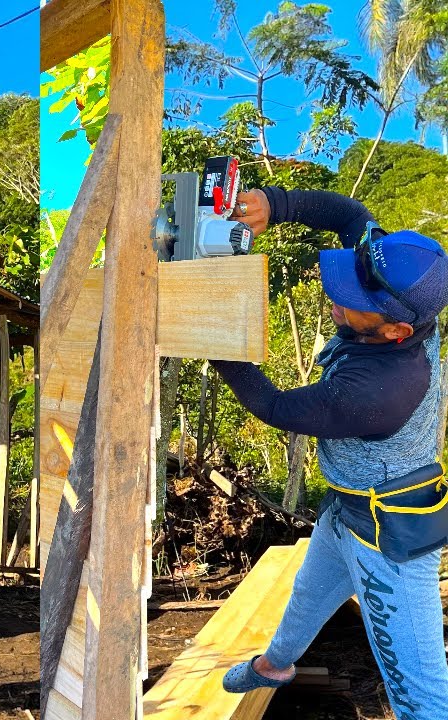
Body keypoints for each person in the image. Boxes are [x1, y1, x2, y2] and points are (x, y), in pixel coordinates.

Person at [216, 187, 448, 719]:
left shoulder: (382, 389)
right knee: (307, 595)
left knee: (420, 694)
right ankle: (274, 665)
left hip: (389, 534)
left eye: (352, 304)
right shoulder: (393, 276)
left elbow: (274, 404)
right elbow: (353, 215)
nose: (335, 300)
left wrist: (210, 336)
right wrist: (275, 205)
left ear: (397, 330)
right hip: (346, 505)